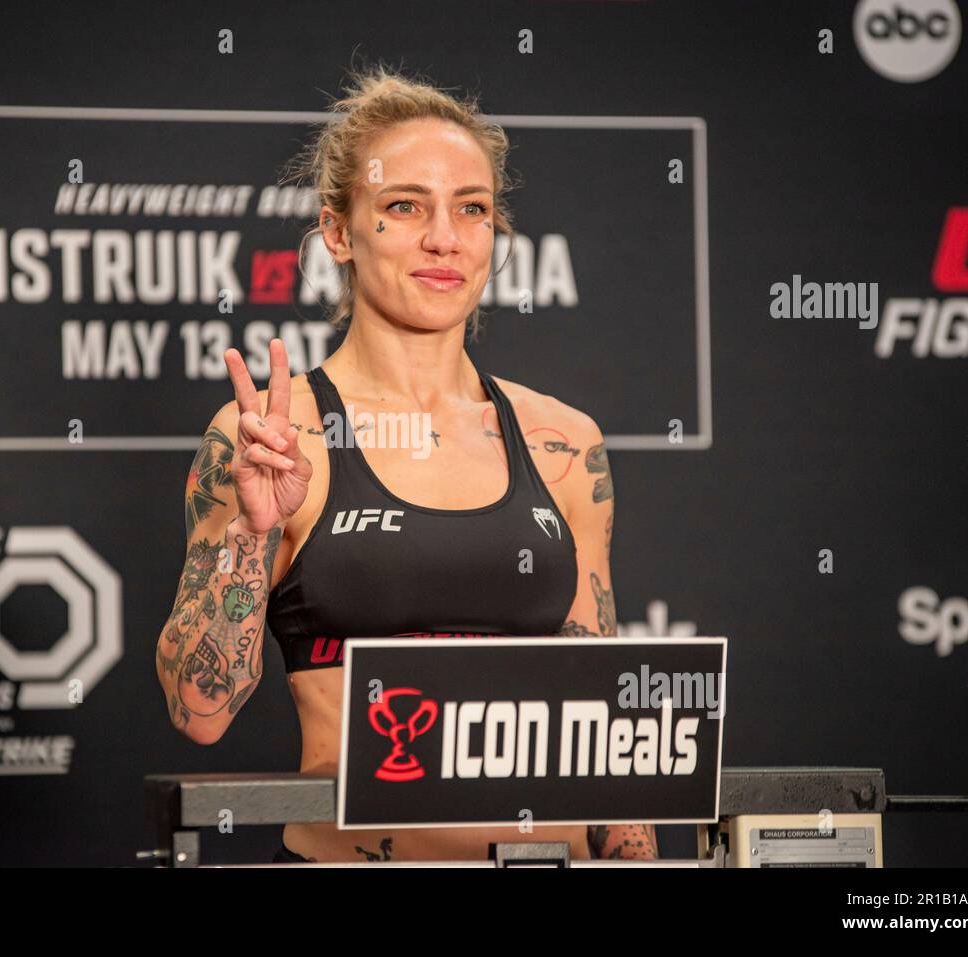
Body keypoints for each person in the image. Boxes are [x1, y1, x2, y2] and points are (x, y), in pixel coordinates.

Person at [157, 65, 658, 864]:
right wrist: (253, 533)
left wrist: (637, 854)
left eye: (473, 209)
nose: (444, 238)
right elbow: (199, 709)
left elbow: (602, 730)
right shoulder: (275, 435)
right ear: (337, 231)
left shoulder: (564, 442)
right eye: (404, 206)